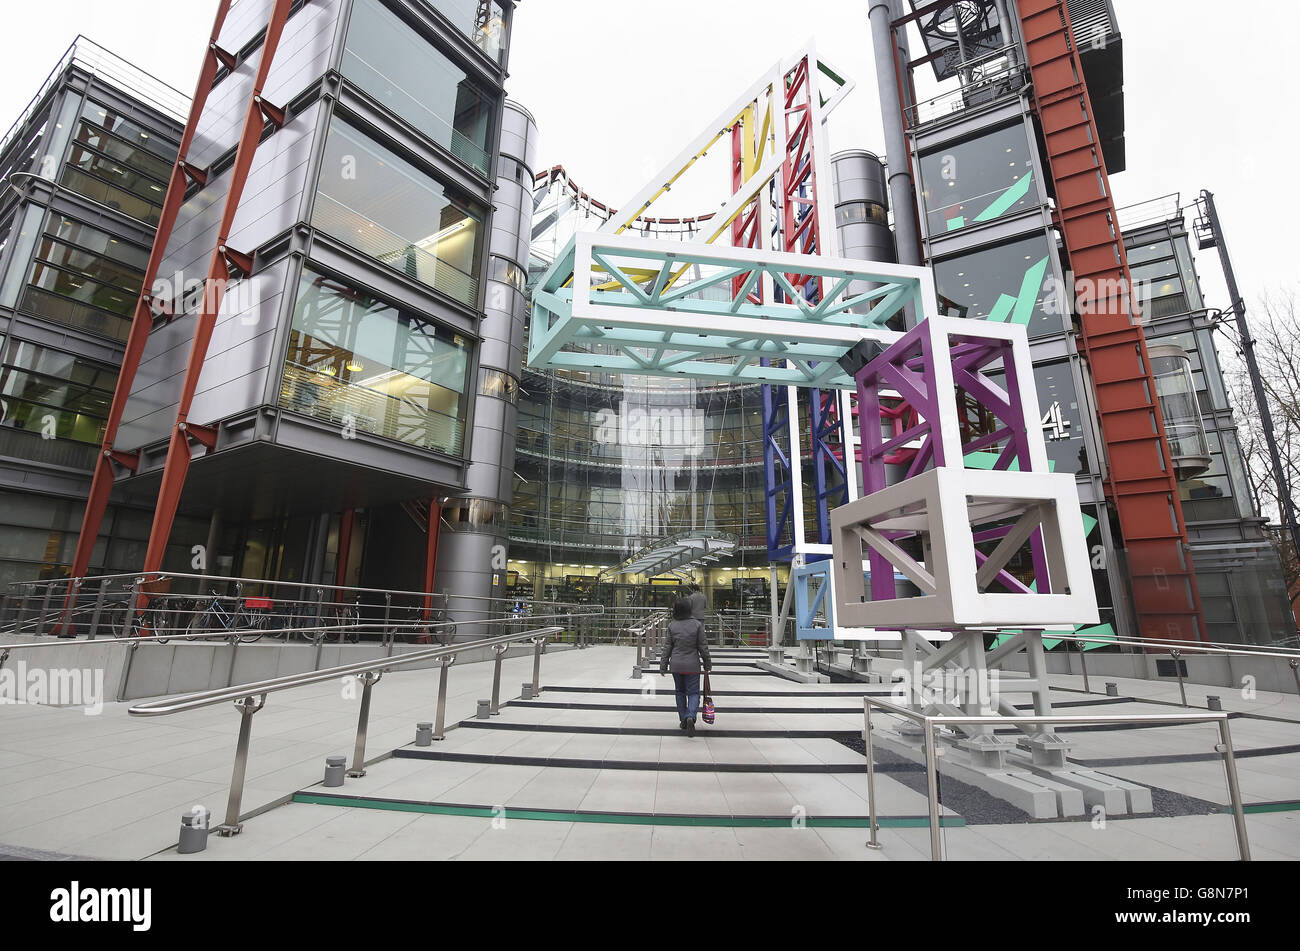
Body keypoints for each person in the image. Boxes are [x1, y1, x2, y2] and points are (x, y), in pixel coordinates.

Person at [660, 596, 712, 736]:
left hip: (676, 665)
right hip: (692, 666)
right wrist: (707, 663)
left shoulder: (672, 625)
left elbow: (667, 647)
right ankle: (690, 716)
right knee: (694, 693)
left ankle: (683, 719)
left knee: (680, 692)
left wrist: (663, 664)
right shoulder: (697, 625)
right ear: (689, 609)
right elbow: (703, 647)